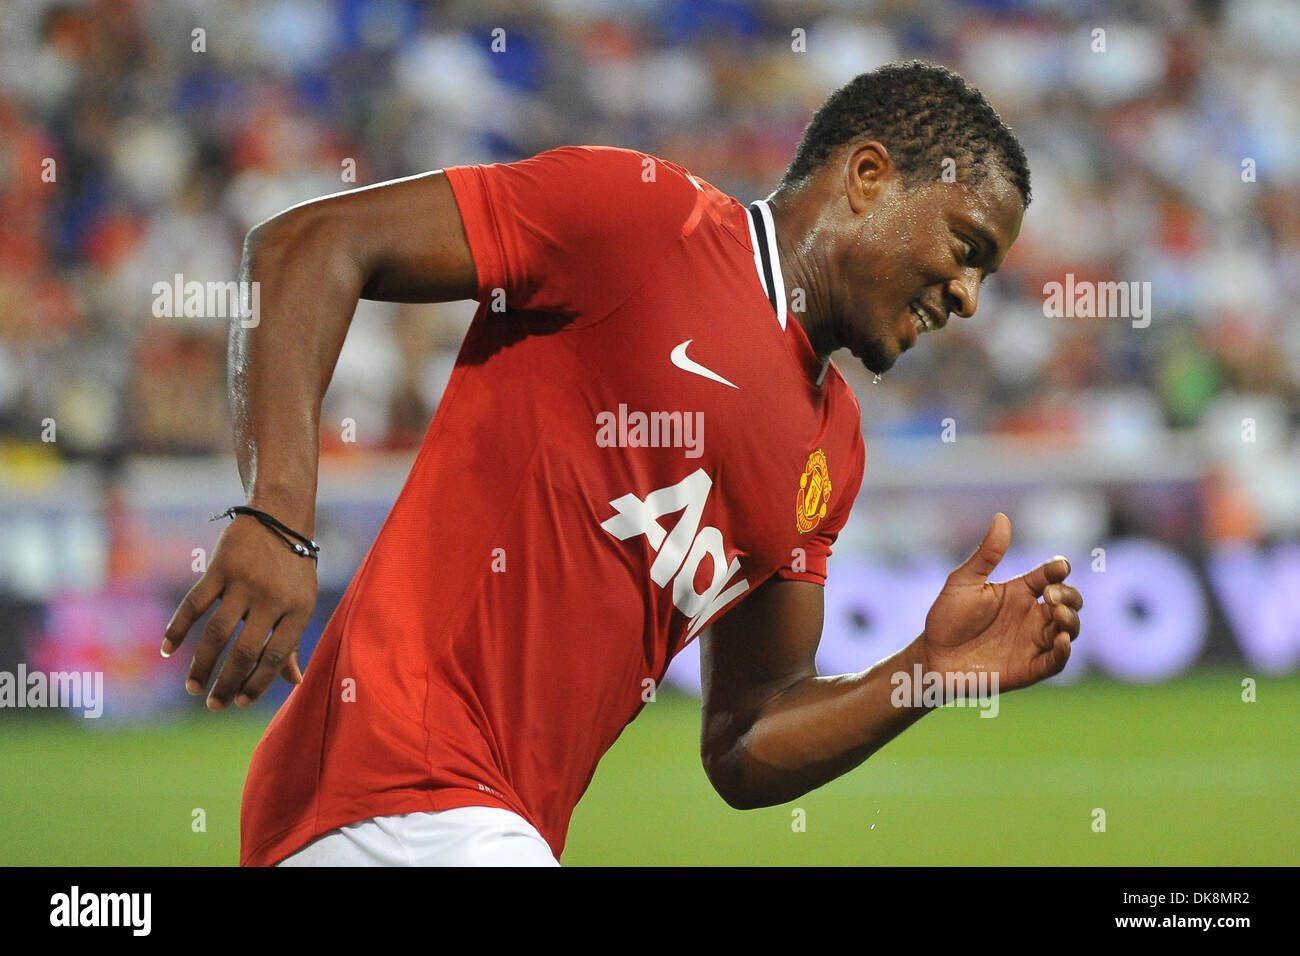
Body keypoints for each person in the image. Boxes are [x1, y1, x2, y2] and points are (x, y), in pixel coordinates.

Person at [162, 60, 1083, 866]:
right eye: (966, 249)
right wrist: (278, 510)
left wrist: (921, 671)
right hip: (394, 780)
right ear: (870, 177)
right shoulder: (645, 219)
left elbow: (745, 736)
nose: (967, 295)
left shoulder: (833, 449)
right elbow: (308, 243)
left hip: (482, 819)